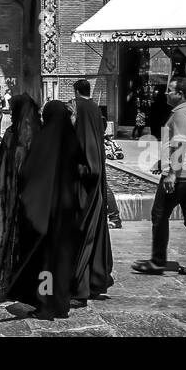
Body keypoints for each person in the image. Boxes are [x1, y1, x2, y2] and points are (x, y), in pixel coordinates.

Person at [7, 100, 82, 319]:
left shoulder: (42, 142)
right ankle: (61, 302)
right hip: (68, 213)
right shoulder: (72, 141)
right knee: (62, 260)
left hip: (45, 215)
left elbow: (26, 176)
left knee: (45, 264)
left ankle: (46, 303)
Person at [133, 79, 186, 279]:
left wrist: (172, 172)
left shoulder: (181, 114)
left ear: (180, 94)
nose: (166, 93)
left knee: (159, 214)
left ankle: (157, 262)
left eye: (170, 90)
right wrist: (162, 160)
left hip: (181, 176)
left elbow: (181, 144)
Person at [0, 93, 41, 301]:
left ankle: (7, 280)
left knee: (10, 238)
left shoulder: (11, 134)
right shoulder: (39, 133)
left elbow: (3, 169)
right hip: (32, 199)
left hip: (10, 198)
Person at [70, 79, 114, 305]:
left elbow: (88, 158)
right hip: (95, 186)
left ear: (76, 92)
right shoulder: (95, 109)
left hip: (86, 188)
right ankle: (96, 281)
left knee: (82, 237)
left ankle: (81, 290)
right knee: (93, 234)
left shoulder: (83, 108)